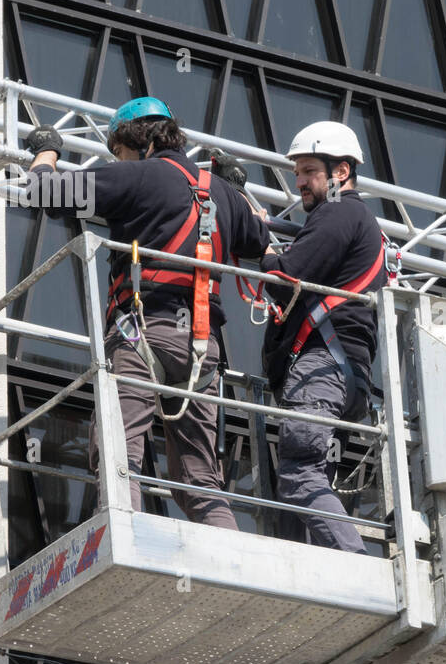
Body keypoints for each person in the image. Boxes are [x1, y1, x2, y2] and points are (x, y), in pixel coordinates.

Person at [25, 97, 273, 530]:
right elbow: (261, 237)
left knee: (121, 457)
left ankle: (126, 544)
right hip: (202, 348)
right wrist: (237, 191)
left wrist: (46, 151)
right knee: (200, 480)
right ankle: (230, 560)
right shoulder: (221, 195)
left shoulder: (136, 176)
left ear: (134, 141)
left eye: (117, 152)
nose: (116, 160)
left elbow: (40, 191)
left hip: (142, 333)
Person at [257, 121, 388, 554]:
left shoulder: (338, 212)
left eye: (310, 171)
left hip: (322, 369)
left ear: (341, 172)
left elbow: (284, 280)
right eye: (297, 173)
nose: (300, 183)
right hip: (348, 378)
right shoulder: (360, 224)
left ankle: (354, 565)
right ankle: (317, 567)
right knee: (313, 481)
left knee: (298, 476)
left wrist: (266, 250)